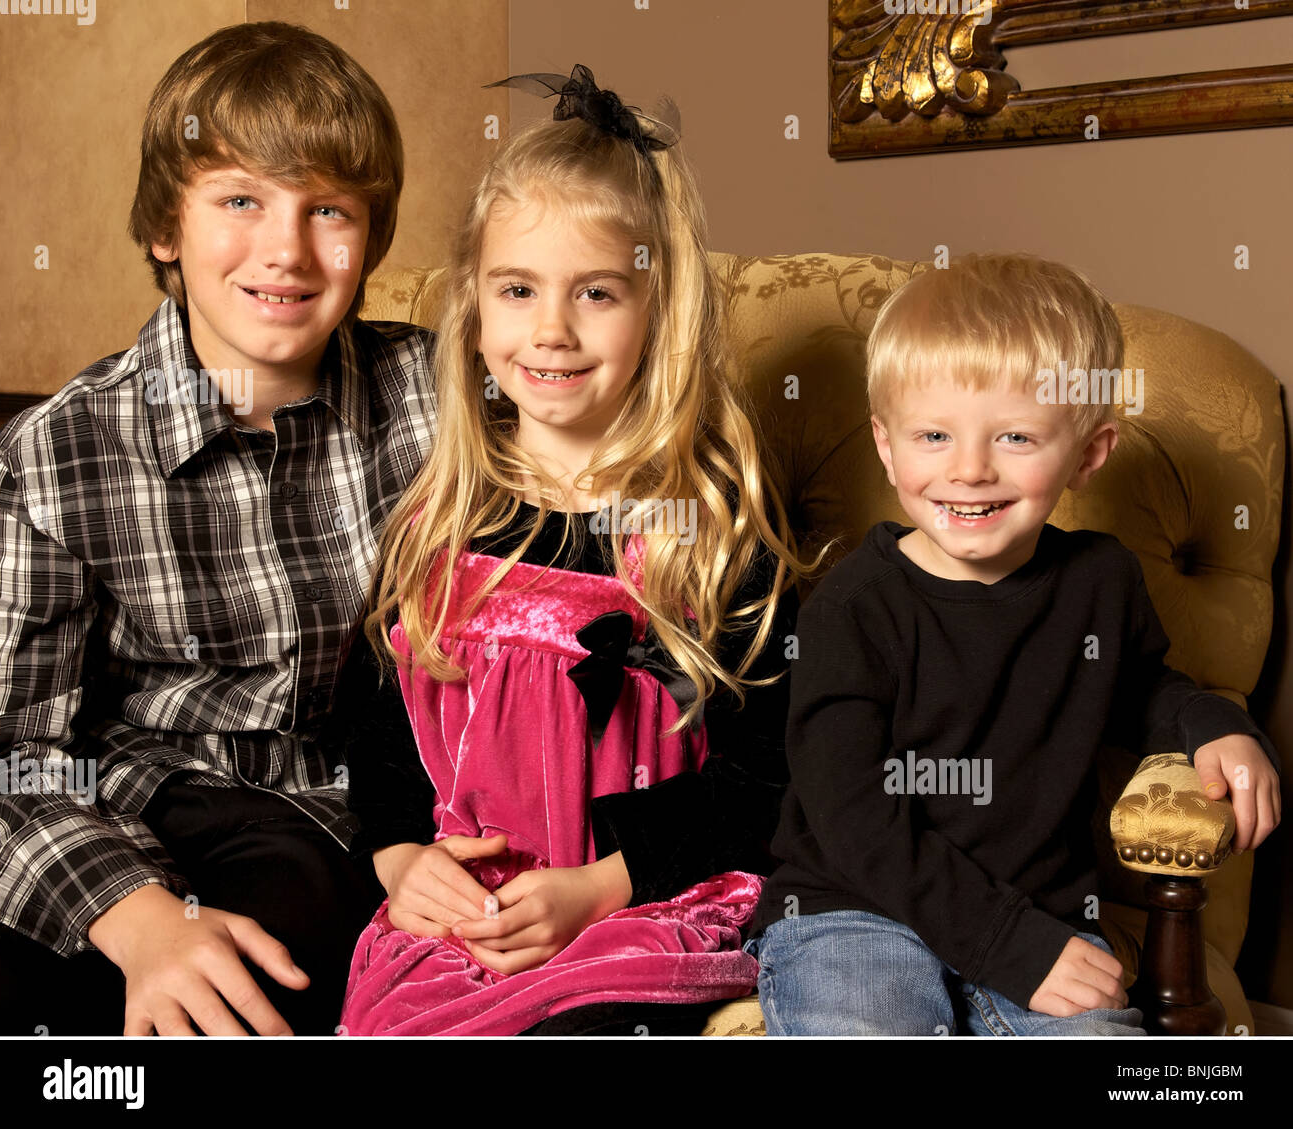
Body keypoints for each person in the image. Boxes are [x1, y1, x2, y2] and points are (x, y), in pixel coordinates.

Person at [331, 65, 821, 1036]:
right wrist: (396, 857)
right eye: (517, 289)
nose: (549, 330)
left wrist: (603, 883)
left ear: (658, 309)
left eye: (595, 292)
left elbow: (771, 770)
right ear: (474, 312)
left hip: (640, 908)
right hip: (467, 921)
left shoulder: (710, 531)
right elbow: (380, 733)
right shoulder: (438, 515)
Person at [0, 22, 435, 1036]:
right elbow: (14, 753)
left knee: (266, 965)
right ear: (165, 226)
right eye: (240, 200)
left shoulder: (438, 396)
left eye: (329, 210)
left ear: (369, 238)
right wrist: (139, 917)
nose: (286, 248)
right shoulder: (55, 454)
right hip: (119, 799)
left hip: (325, 825)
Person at [746, 253, 1282, 1036]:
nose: (969, 469)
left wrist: (1212, 723)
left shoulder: (1100, 581)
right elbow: (854, 816)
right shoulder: (852, 608)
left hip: (1042, 911)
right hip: (855, 911)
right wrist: (1005, 943)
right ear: (886, 444)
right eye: (934, 434)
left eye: (1017, 437)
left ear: (1090, 452)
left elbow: (1144, 691)